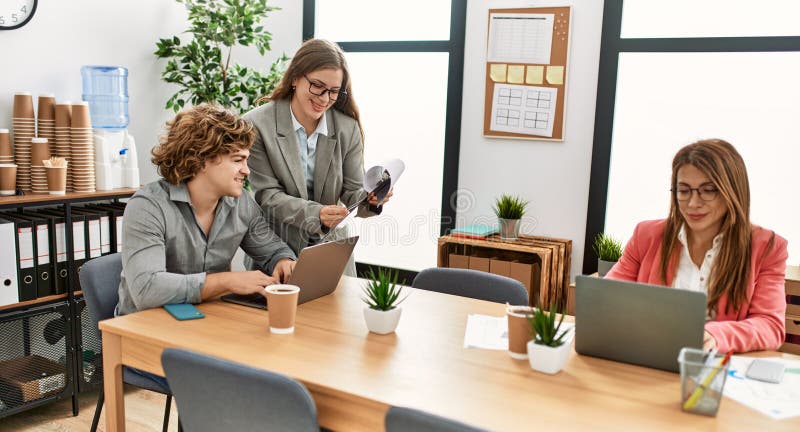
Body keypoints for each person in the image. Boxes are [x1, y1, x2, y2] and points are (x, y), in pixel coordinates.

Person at [606, 139, 787, 353]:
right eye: (684, 191)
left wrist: (715, 336)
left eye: (708, 190)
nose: (693, 203)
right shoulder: (646, 236)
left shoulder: (767, 248)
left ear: (732, 190)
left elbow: (770, 325)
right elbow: (606, 298)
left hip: (714, 366)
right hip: (648, 357)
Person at [117, 104, 297, 317]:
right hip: (145, 324)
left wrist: (283, 261)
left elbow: (273, 249)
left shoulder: (241, 203)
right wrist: (226, 281)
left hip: (202, 318)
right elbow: (147, 289)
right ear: (202, 160)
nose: (246, 171)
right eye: (237, 160)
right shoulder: (148, 206)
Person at [243, 38, 391, 276]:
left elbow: (353, 192)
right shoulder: (256, 124)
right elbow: (267, 196)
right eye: (317, 86)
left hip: (331, 253)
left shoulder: (347, 128)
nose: (324, 98)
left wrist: (372, 198)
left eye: (333, 91)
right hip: (277, 251)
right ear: (295, 78)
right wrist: (316, 214)